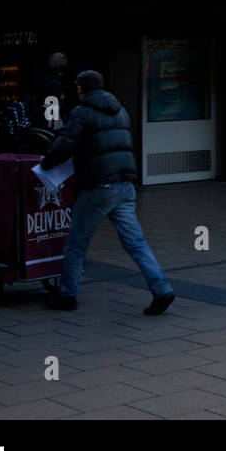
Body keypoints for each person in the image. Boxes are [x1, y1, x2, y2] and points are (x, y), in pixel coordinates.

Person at [42, 70, 175, 315]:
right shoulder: (120, 110)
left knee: (76, 244)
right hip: (124, 184)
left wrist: (45, 163)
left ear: (82, 88)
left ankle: (67, 295)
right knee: (135, 242)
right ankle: (162, 289)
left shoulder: (82, 113)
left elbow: (65, 145)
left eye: (77, 87)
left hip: (98, 187)